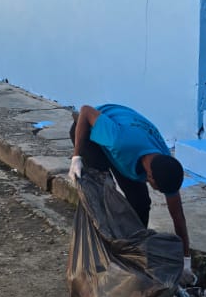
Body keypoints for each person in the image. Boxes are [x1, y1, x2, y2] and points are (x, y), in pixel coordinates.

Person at [69, 103, 195, 284]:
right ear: (149, 176)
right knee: (103, 193)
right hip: (89, 134)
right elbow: (86, 111)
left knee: (141, 203)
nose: (157, 190)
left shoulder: (165, 164)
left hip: (127, 150)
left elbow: (178, 216)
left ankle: (132, 252)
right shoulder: (119, 140)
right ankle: (103, 250)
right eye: (157, 187)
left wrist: (186, 261)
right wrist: (76, 157)